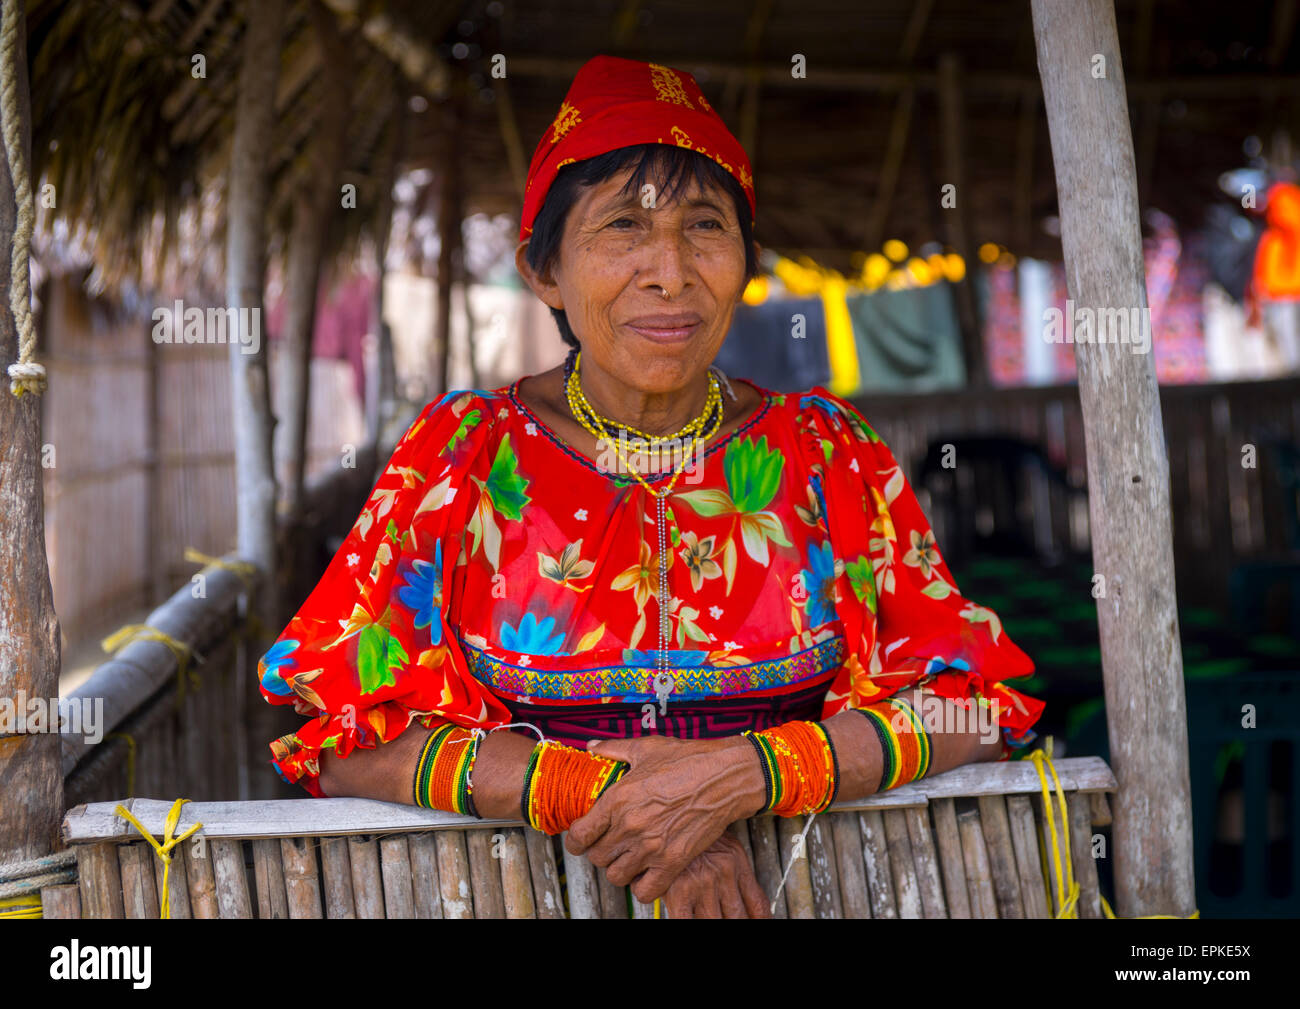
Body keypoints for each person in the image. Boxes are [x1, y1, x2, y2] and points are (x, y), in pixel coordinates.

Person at [258, 54, 1044, 919]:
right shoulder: (463, 459)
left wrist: (746, 775)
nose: (669, 271)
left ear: (745, 257)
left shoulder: (828, 456)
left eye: (705, 225)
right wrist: (587, 789)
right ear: (544, 270)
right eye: (623, 227)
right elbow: (333, 729)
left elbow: (974, 707)